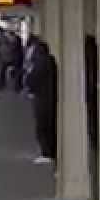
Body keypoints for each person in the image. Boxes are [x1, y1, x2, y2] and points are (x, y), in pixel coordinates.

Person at [23, 36, 58, 164]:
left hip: (42, 99)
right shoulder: (50, 60)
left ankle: (47, 153)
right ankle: (50, 152)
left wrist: (28, 71)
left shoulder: (39, 63)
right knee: (48, 126)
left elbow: (31, 79)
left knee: (42, 127)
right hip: (49, 97)